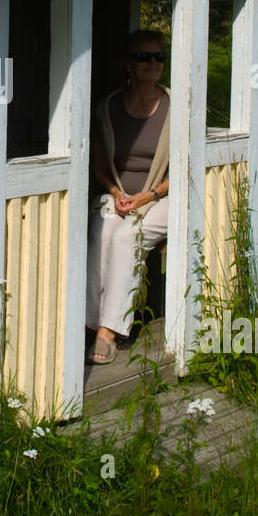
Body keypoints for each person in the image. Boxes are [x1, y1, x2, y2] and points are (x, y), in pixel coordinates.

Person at [85, 29, 170, 364]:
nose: (152, 63)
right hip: (120, 195)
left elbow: (184, 168)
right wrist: (115, 191)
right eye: (143, 57)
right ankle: (92, 323)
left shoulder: (175, 106)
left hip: (161, 198)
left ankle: (109, 333)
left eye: (158, 57)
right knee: (101, 232)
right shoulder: (107, 107)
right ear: (127, 64)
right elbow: (100, 163)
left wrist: (148, 195)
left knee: (127, 237)